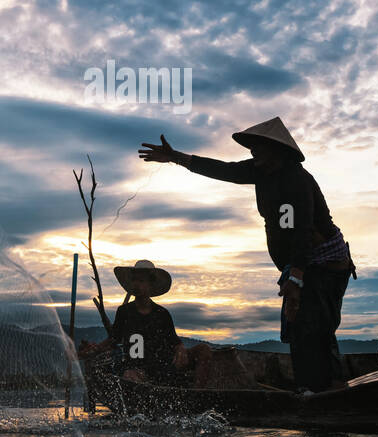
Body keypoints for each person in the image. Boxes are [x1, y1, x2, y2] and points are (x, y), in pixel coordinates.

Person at [138, 118, 355, 393]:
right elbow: (222, 169)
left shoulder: (297, 180)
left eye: (259, 148)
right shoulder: (260, 172)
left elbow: (302, 230)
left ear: (278, 150)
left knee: (316, 328)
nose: (254, 153)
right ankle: (310, 389)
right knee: (301, 327)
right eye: (252, 149)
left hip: (323, 263)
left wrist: (297, 279)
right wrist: (176, 157)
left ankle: (331, 391)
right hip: (299, 265)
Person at [84, 259, 189, 386]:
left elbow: (175, 341)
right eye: (134, 280)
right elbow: (113, 340)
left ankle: (197, 394)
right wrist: (95, 349)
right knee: (130, 375)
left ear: (150, 285)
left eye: (141, 281)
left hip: (161, 369)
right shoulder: (124, 312)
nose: (136, 285)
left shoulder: (162, 314)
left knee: (203, 350)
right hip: (134, 368)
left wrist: (181, 349)